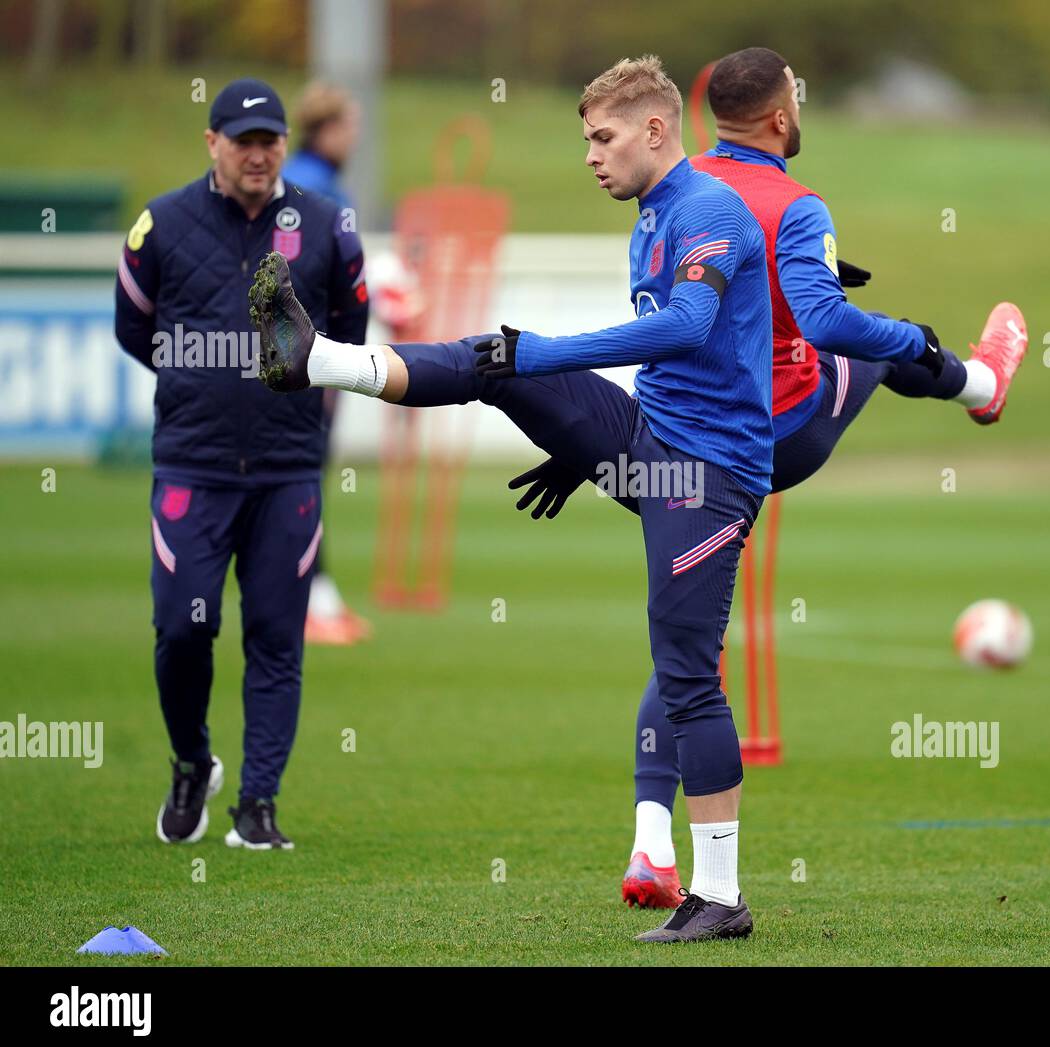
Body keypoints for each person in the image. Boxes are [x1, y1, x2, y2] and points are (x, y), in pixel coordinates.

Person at [252, 55, 782, 943]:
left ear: (657, 129)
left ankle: (722, 898)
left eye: (602, 137)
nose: (590, 156)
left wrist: (552, 360)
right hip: (652, 444)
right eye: (586, 141)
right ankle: (323, 362)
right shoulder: (653, 217)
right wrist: (581, 447)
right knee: (495, 358)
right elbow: (664, 367)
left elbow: (688, 330)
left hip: (708, 477)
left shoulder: (708, 210)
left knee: (688, 673)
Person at [505, 47, 1028, 909]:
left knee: (683, 651)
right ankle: (977, 382)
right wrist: (907, 335)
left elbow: (672, 330)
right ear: (783, 118)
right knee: (876, 352)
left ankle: (649, 847)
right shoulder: (796, 200)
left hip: (673, 439)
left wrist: (581, 447)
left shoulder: (683, 187)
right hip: (773, 436)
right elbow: (821, 316)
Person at [114, 77, 368, 850]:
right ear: (213, 144)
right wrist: (201, 386)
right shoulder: (161, 225)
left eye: (271, 141)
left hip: (290, 468)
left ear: (287, 145)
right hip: (193, 466)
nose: (258, 155)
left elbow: (348, 330)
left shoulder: (328, 225)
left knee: (276, 636)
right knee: (181, 629)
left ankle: (257, 803)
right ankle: (192, 762)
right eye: (243, 141)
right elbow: (135, 328)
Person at [282, 81, 370, 645]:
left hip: (284, 355)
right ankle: (311, 599)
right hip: (310, 359)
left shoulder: (294, 180)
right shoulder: (321, 193)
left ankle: (314, 595)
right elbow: (334, 280)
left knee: (295, 476)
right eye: (349, 126)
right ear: (328, 129)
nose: (355, 137)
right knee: (302, 477)